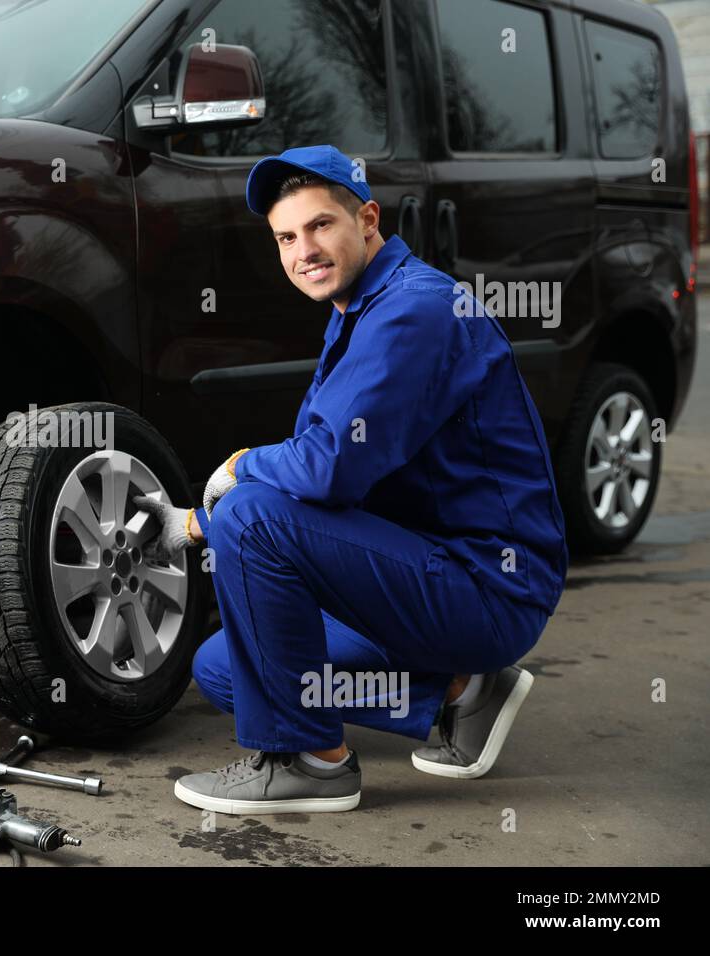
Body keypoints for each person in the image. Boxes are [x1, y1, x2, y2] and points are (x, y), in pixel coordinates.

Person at [134, 145, 568, 815]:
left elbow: (326, 469)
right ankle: (459, 690)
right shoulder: (358, 310)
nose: (303, 249)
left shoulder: (414, 311)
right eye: (286, 237)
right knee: (227, 669)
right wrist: (196, 522)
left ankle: (311, 762)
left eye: (320, 226)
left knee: (251, 513)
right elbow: (327, 482)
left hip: (488, 585)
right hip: (423, 569)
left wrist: (239, 464)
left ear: (367, 219)